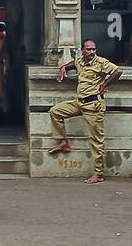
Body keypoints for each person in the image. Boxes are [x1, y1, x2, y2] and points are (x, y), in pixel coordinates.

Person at [48, 39, 122, 185]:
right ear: (82, 50)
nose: (92, 52)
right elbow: (73, 63)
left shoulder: (100, 62)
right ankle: (63, 142)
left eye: (94, 49)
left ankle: (98, 174)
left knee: (96, 141)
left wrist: (105, 84)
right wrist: (63, 67)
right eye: (88, 49)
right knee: (55, 111)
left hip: (94, 105)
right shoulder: (80, 61)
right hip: (80, 103)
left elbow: (118, 71)